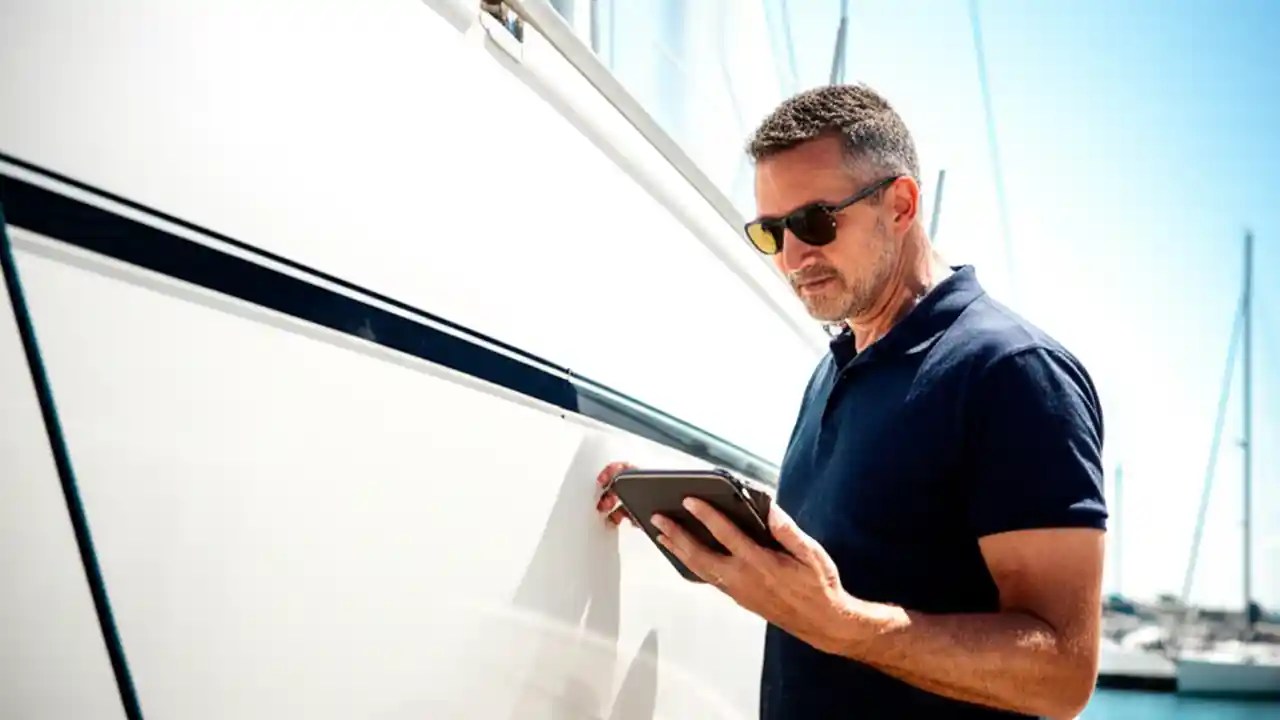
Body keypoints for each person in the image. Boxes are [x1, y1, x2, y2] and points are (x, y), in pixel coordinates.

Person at [595, 83, 1107, 719]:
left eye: (813, 222)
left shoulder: (1014, 372)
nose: (792, 257)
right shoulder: (832, 372)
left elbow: (1063, 673)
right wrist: (700, 527)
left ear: (900, 203)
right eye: (770, 232)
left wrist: (846, 625)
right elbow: (828, 588)